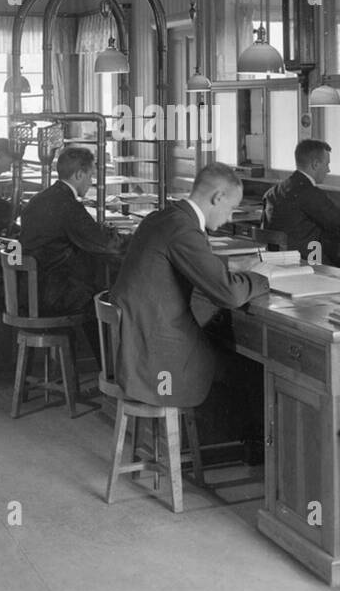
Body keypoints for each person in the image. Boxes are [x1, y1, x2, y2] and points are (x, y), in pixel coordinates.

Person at [110, 163, 269, 409]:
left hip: (140, 342)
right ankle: (240, 447)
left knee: (233, 357)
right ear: (218, 198)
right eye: (231, 209)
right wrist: (262, 276)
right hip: (157, 354)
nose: (229, 218)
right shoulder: (184, 229)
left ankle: (228, 445)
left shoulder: (165, 216)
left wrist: (225, 271)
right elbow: (230, 294)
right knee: (251, 371)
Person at [19, 146, 122, 373]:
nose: (91, 182)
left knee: (92, 292)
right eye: (90, 176)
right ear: (78, 175)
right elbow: (105, 246)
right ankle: (113, 374)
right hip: (51, 296)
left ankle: (107, 372)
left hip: (29, 292)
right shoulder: (68, 205)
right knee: (103, 302)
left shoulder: (40, 199)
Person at [262, 139, 340, 258]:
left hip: (277, 260)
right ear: (315, 164)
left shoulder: (275, 191)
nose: (328, 170)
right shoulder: (309, 193)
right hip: (306, 262)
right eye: (327, 164)